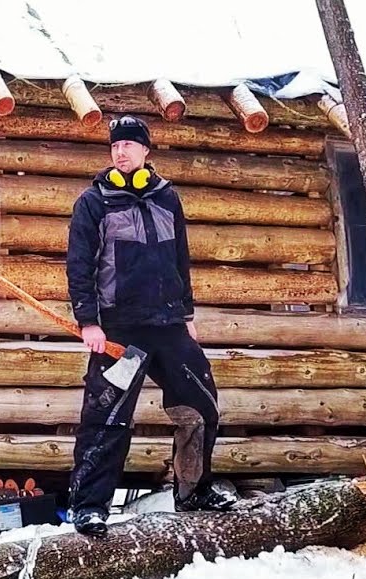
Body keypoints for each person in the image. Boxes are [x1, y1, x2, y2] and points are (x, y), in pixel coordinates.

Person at [65, 115, 237, 537]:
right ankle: (89, 507)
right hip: (120, 332)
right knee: (107, 417)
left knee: (200, 406)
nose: (120, 151)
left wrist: (188, 315)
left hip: (169, 326)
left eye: (129, 144)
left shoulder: (166, 199)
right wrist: (89, 322)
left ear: (145, 151)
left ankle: (193, 491)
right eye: (115, 146)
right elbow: (79, 266)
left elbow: (181, 259)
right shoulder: (95, 201)